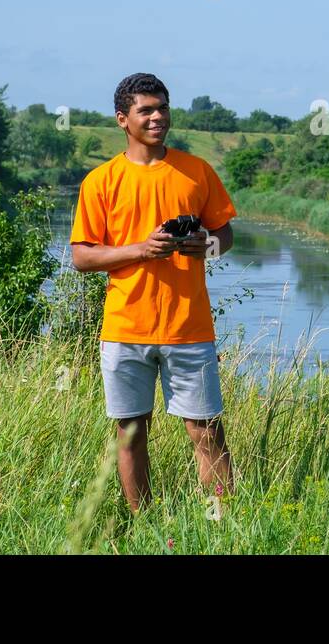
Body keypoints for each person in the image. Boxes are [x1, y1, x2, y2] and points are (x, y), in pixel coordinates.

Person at [69, 72, 237, 512]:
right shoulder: (100, 181)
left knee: (206, 430)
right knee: (131, 433)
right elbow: (83, 257)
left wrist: (207, 245)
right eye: (146, 110)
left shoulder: (196, 170)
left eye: (162, 107)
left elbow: (225, 235)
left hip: (189, 326)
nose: (158, 116)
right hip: (125, 328)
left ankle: (223, 521)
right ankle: (143, 524)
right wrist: (142, 251)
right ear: (123, 119)